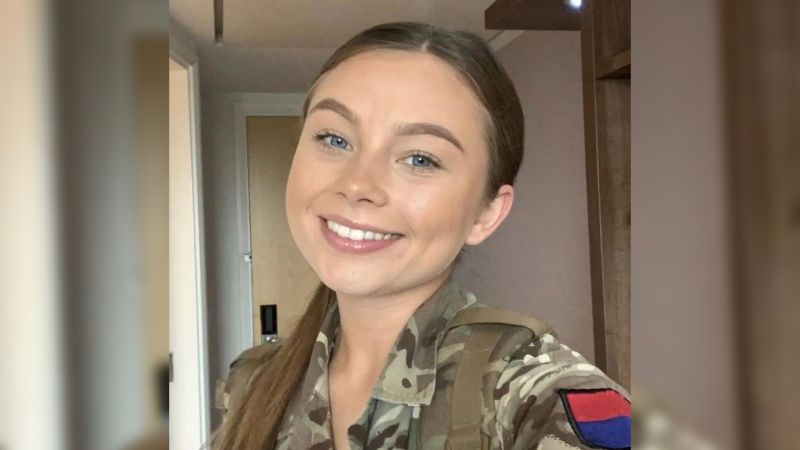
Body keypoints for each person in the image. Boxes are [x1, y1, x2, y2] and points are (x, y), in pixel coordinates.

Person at [211, 21, 630, 450]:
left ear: (486, 214)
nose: (357, 184)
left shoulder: (535, 400)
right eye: (334, 138)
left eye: (420, 159)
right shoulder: (252, 383)